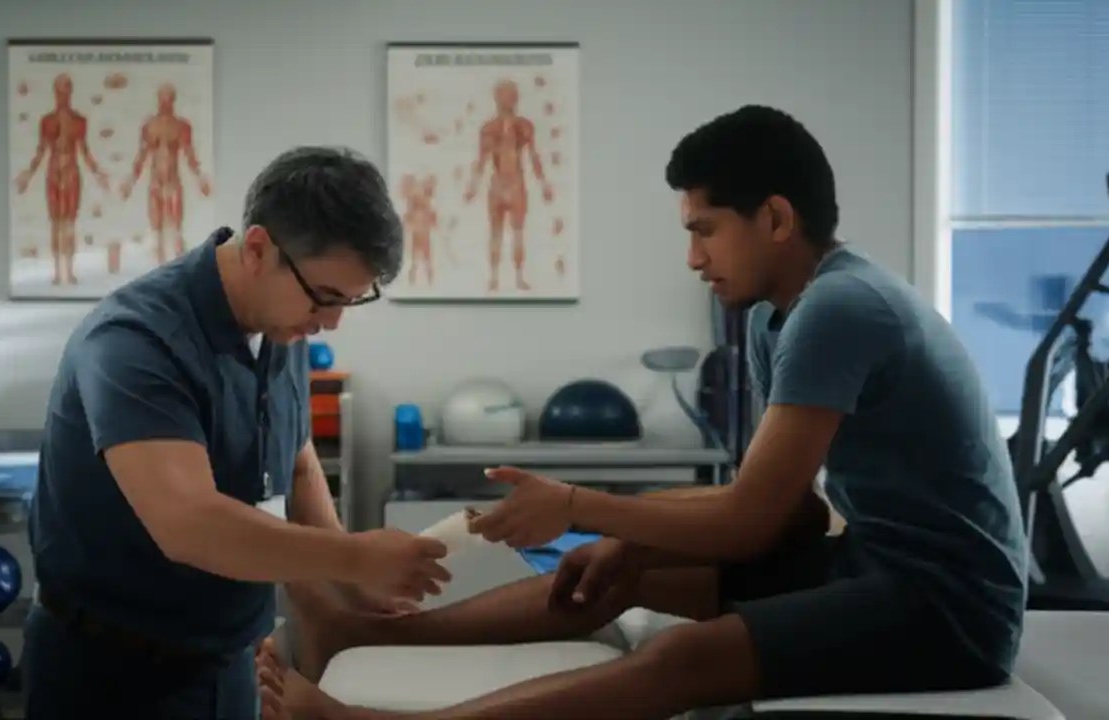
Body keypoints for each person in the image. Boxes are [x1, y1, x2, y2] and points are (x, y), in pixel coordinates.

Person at [257, 105, 1030, 719]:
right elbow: (790, 514)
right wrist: (632, 549)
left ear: (775, 218)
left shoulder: (842, 309)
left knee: (681, 658)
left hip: (949, 608)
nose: (694, 258)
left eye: (705, 231)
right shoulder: (780, 319)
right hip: (870, 562)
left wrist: (577, 508)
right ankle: (366, 630)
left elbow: (752, 521)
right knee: (619, 574)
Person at [23, 146, 452, 719]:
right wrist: (353, 559)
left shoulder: (282, 326)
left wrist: (349, 588)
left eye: (351, 302)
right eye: (325, 297)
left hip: (231, 660)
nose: (330, 322)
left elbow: (296, 461)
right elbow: (189, 523)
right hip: (110, 672)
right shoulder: (135, 340)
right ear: (257, 249)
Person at [15, 73, 111, 286]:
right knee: (56, 223)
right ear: (55, 92)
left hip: (71, 173)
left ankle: (69, 270)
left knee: (69, 224)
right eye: (59, 90)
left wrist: (98, 173)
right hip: (53, 172)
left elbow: (84, 151)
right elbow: (41, 151)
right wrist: (28, 175)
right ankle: (58, 272)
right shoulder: (47, 121)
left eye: (65, 89)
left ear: (70, 92)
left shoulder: (79, 121)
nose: (62, 94)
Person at [463, 79, 554, 292]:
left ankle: (518, 276)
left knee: (517, 231)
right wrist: (473, 186)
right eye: (504, 96)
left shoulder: (524, 126)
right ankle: (494, 277)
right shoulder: (489, 129)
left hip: (516, 183)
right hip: (498, 183)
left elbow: (533, 156)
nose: (508, 100)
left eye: (511, 95)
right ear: (497, 98)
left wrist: (544, 184)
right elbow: (481, 160)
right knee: (496, 232)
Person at [119, 82, 214, 264]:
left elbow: (190, 156)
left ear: (173, 101)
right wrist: (130, 183)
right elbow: (141, 156)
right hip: (155, 183)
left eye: (168, 99)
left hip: (173, 183)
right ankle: (160, 271)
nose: (165, 103)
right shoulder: (150, 126)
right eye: (162, 98)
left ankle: (178, 271)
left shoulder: (181, 126)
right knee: (156, 235)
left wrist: (201, 180)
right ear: (158, 100)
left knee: (176, 233)